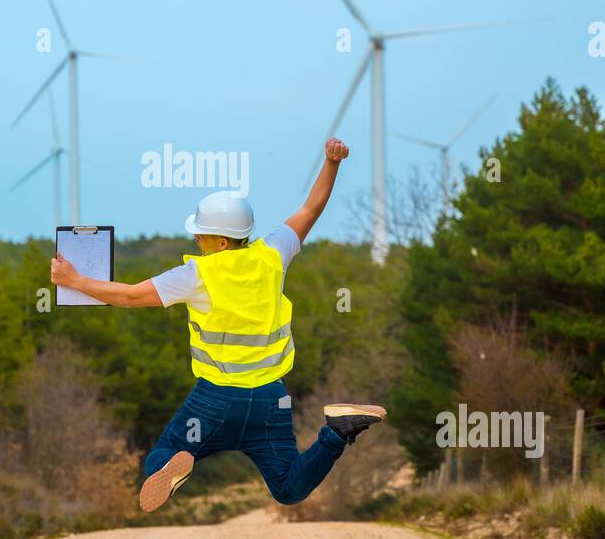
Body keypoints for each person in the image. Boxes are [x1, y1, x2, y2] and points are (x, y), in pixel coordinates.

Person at [50, 138, 386, 511]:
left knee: (159, 457)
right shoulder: (273, 254)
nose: (195, 236)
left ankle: (176, 465)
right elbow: (311, 208)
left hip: (215, 400)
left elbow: (129, 296)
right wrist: (331, 163)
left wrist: (75, 281)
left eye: (201, 231)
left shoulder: (197, 274)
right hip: (270, 399)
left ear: (222, 242)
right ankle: (337, 434)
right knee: (289, 489)